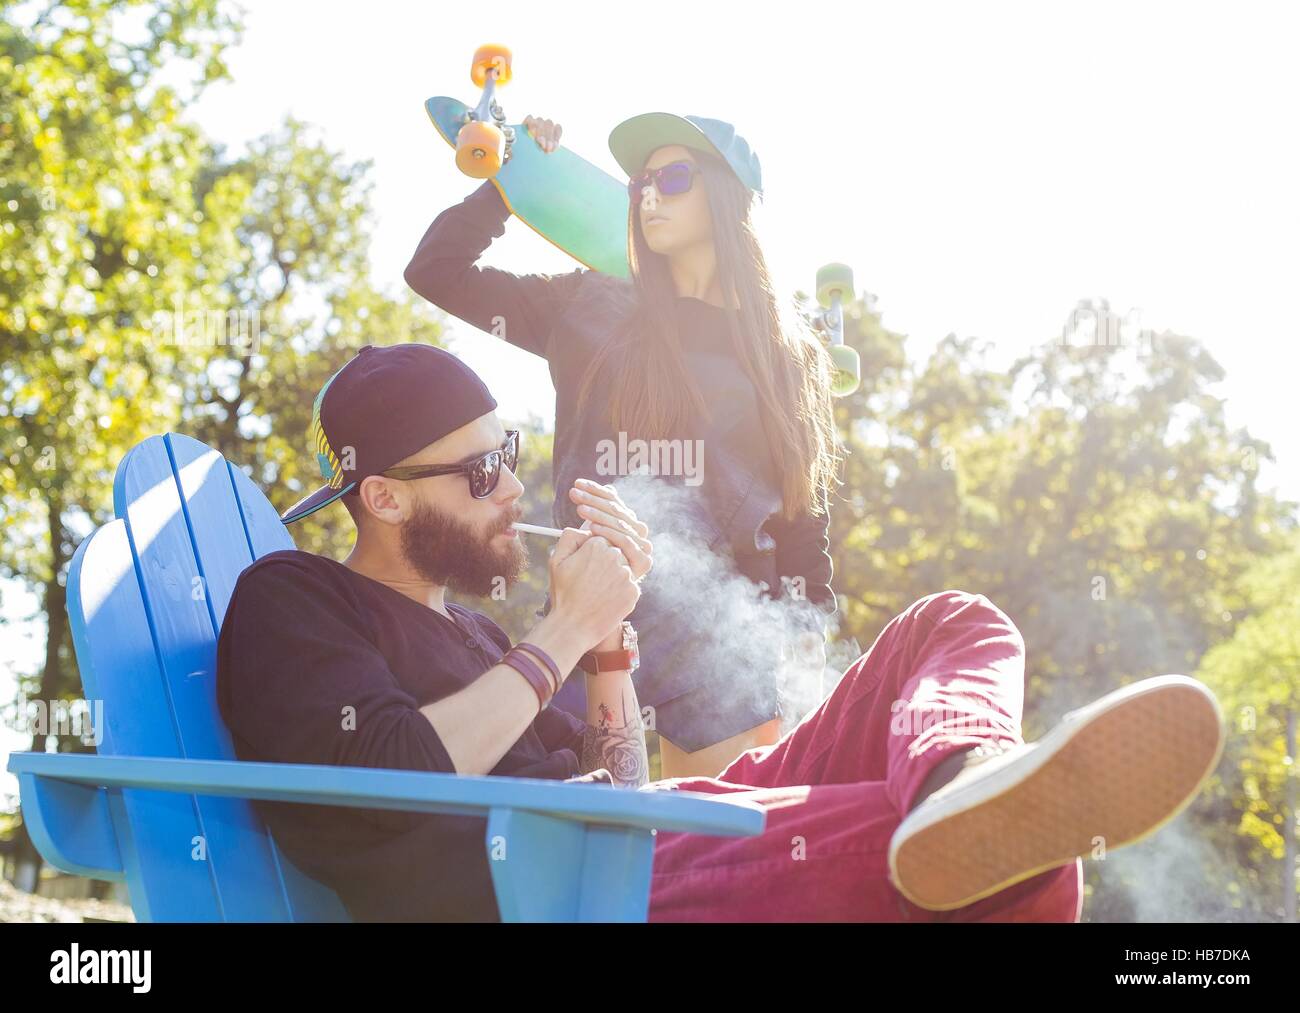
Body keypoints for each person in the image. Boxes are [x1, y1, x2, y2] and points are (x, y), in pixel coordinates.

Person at [216, 342, 1226, 922]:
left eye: (509, 452)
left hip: (633, 829)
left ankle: (956, 776)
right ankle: (955, 817)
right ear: (384, 496)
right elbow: (396, 776)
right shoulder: (295, 600)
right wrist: (563, 630)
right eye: (480, 470)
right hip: (558, 890)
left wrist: (609, 647)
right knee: (1015, 869)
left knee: (947, 624)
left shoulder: (476, 639)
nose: (512, 485)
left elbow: (613, 783)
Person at [403, 112, 842, 778]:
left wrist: (812, 661)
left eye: (674, 177)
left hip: (725, 638)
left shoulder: (787, 352)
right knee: (590, 847)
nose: (649, 195)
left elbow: (801, 523)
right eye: (641, 181)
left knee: (715, 855)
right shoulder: (588, 307)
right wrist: (511, 180)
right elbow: (436, 272)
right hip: (590, 616)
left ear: (729, 197)